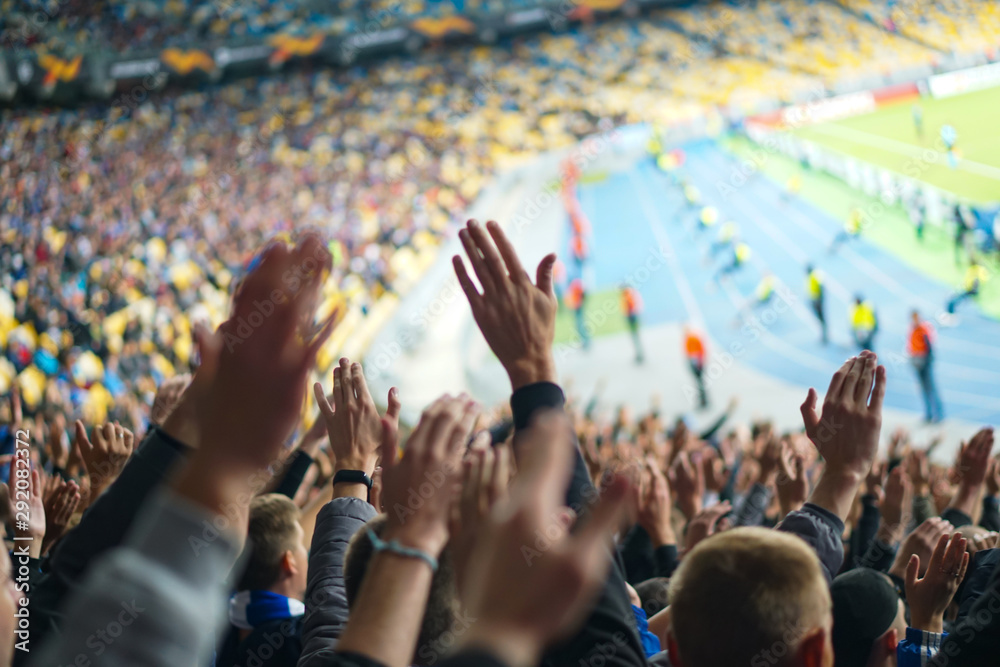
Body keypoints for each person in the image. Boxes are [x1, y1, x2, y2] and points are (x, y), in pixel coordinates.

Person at [907, 310, 944, 424]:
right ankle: (928, 414)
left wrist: (927, 362)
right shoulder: (912, 328)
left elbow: (930, 347)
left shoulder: (923, 329)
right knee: (923, 390)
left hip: (925, 364)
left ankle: (939, 415)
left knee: (931, 389)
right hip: (917, 363)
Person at [683, 325, 708, 409]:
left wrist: (698, 364)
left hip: (697, 364)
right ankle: (703, 400)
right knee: (699, 383)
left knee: (699, 383)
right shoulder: (689, 338)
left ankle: (703, 401)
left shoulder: (691, 339)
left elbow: (697, 352)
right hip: (696, 363)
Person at [621, 285, 645, 364]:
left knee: (635, 337)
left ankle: (639, 354)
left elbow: (630, 309)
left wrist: (628, 316)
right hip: (633, 318)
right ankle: (639, 354)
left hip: (632, 319)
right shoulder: (632, 294)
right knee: (636, 337)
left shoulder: (628, 295)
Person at [806, 264, 828, 345]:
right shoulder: (810, 277)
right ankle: (823, 334)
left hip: (817, 300)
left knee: (821, 319)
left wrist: (820, 299)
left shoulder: (814, 276)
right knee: (819, 319)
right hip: (814, 300)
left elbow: (821, 286)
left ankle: (824, 335)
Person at [565, 277, 590, 349]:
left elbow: (583, 293)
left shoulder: (576, 284)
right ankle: (584, 341)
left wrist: (580, 303)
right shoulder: (573, 286)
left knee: (580, 324)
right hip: (576, 307)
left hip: (578, 307)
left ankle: (586, 341)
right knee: (579, 325)